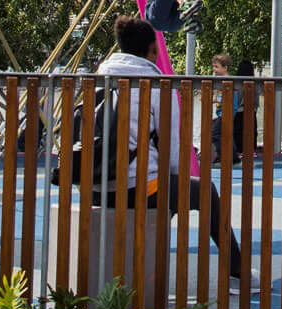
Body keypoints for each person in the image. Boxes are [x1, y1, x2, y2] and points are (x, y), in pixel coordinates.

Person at [96, 15, 245, 285]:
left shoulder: (99, 78)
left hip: (96, 185)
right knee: (205, 192)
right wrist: (176, 178)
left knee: (169, 189)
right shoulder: (157, 84)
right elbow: (171, 144)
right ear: (152, 50)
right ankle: (237, 269)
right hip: (137, 187)